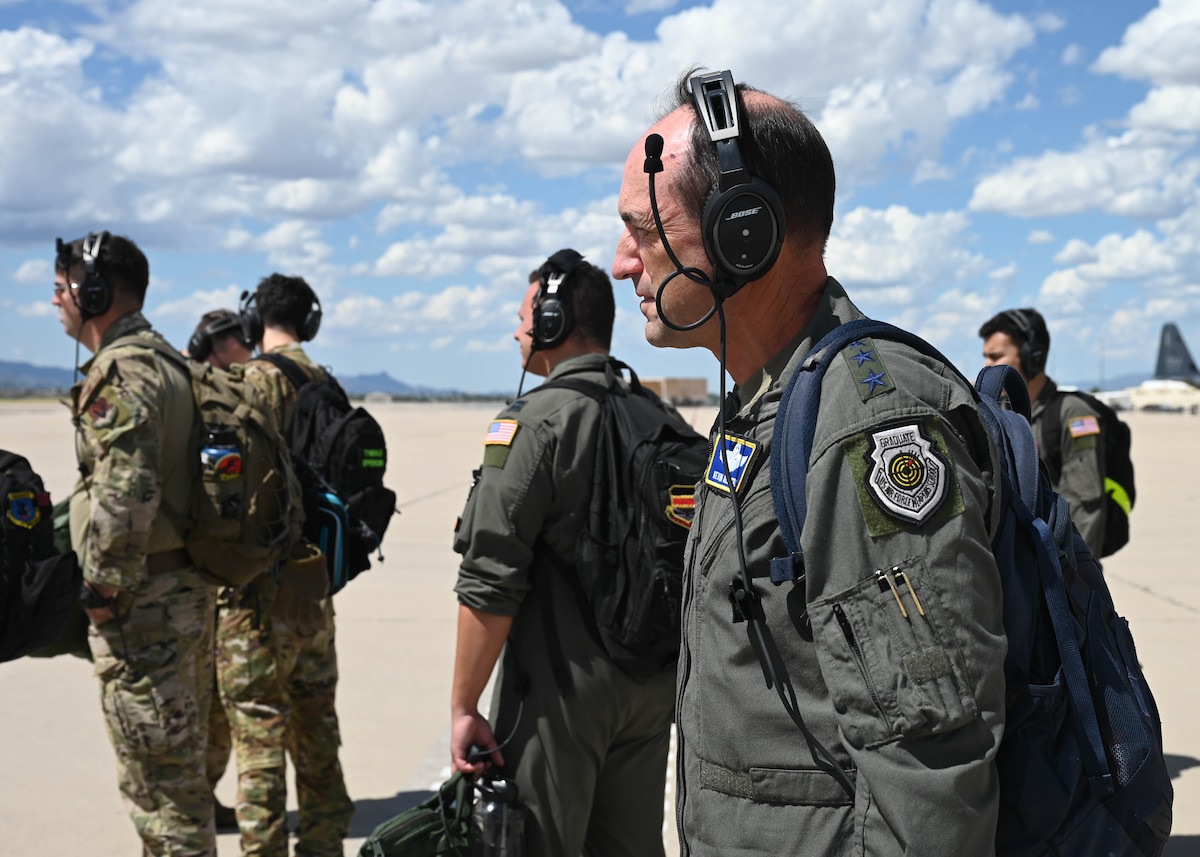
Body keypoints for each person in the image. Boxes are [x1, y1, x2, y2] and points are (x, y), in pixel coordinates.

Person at [611, 70, 1008, 855]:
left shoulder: (865, 425)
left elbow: (931, 776)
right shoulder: (768, 402)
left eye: (646, 232)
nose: (625, 263)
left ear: (743, 234)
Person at [450, 252, 676, 857]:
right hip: (651, 688)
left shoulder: (532, 424)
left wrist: (464, 706)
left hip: (559, 693)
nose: (517, 332)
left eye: (525, 317)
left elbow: (489, 579)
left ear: (553, 321)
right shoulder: (661, 418)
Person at [54, 231, 218, 856]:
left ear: (95, 292)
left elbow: (128, 488)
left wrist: (99, 592)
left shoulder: (123, 370)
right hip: (178, 594)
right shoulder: (168, 361)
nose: (56, 301)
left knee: (162, 796)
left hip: (143, 606)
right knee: (176, 780)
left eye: (63, 288)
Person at [232, 274, 354, 857]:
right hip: (315, 587)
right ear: (310, 322)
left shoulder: (252, 381)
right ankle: (325, 843)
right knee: (317, 727)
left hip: (259, 593)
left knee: (258, 735)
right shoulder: (325, 383)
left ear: (255, 319)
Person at [186, 308, 256, 834]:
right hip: (197, 576)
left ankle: (204, 798)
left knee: (218, 709)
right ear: (212, 345)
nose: (247, 349)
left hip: (226, 576)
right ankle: (193, 802)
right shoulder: (192, 399)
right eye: (238, 341)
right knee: (199, 702)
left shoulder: (237, 395)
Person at [980, 308, 1108, 557]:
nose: (987, 365)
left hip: (1058, 560)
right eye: (986, 356)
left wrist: (1072, 568)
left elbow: (1087, 505)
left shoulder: (1073, 414)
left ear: (1033, 358)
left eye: (995, 357)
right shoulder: (1000, 417)